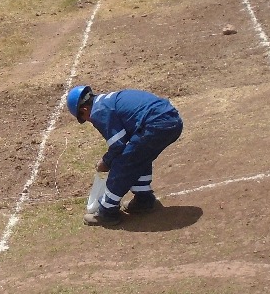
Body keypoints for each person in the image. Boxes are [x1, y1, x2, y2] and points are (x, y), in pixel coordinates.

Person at [66, 85, 184, 226]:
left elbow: (118, 145)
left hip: (156, 124)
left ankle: (107, 212)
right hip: (172, 120)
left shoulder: (98, 111)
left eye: (83, 118)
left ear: (84, 109)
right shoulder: (106, 101)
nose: (88, 121)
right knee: (138, 156)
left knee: (122, 164)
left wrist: (105, 162)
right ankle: (144, 200)